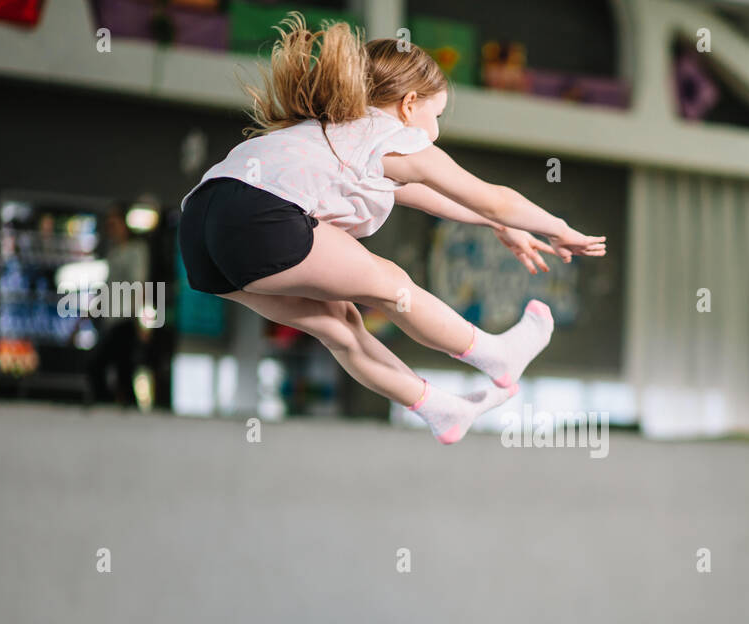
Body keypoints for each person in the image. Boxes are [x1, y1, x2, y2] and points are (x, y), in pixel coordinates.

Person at [178, 17, 606, 443]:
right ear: (409, 105)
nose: (436, 130)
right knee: (390, 282)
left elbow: (429, 196)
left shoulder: (332, 133)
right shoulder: (385, 132)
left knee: (339, 323)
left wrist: (499, 224)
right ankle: (500, 358)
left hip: (201, 230)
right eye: (436, 115)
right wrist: (558, 227)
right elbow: (493, 196)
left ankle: (444, 410)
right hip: (258, 212)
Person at [87, 204, 151, 405]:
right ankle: (123, 408)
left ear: (124, 225)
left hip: (126, 318)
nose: (111, 229)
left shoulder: (136, 251)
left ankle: (108, 405)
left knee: (102, 364)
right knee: (123, 369)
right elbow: (107, 286)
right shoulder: (113, 254)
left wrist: (141, 320)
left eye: (114, 224)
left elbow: (139, 284)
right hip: (112, 318)